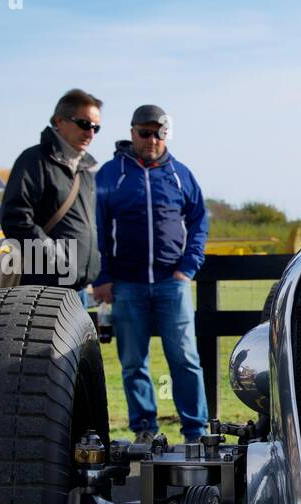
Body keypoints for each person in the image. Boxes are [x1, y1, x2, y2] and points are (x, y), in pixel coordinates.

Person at [93, 105, 209, 445]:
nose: (153, 139)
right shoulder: (111, 174)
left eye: (159, 133)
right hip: (126, 285)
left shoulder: (180, 174)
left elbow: (199, 220)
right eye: (145, 132)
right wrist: (102, 276)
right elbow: (96, 226)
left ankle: (195, 433)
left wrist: (187, 268)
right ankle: (144, 430)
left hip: (172, 284)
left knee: (185, 359)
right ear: (132, 133)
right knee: (133, 362)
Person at [0, 89, 102, 300]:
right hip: (43, 288)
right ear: (59, 121)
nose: (90, 133)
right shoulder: (34, 160)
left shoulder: (85, 170)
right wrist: (56, 259)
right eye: (84, 124)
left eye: (96, 127)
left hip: (79, 287)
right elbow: (15, 220)